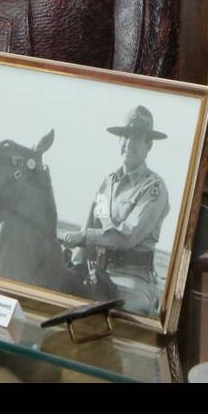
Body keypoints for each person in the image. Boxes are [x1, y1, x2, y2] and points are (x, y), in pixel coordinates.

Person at [62, 106, 170, 316]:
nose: (129, 143)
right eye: (125, 137)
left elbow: (127, 236)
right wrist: (75, 264)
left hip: (133, 278)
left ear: (149, 145)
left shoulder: (154, 188)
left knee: (121, 313)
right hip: (97, 270)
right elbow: (89, 225)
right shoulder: (108, 183)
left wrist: (84, 237)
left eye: (137, 138)